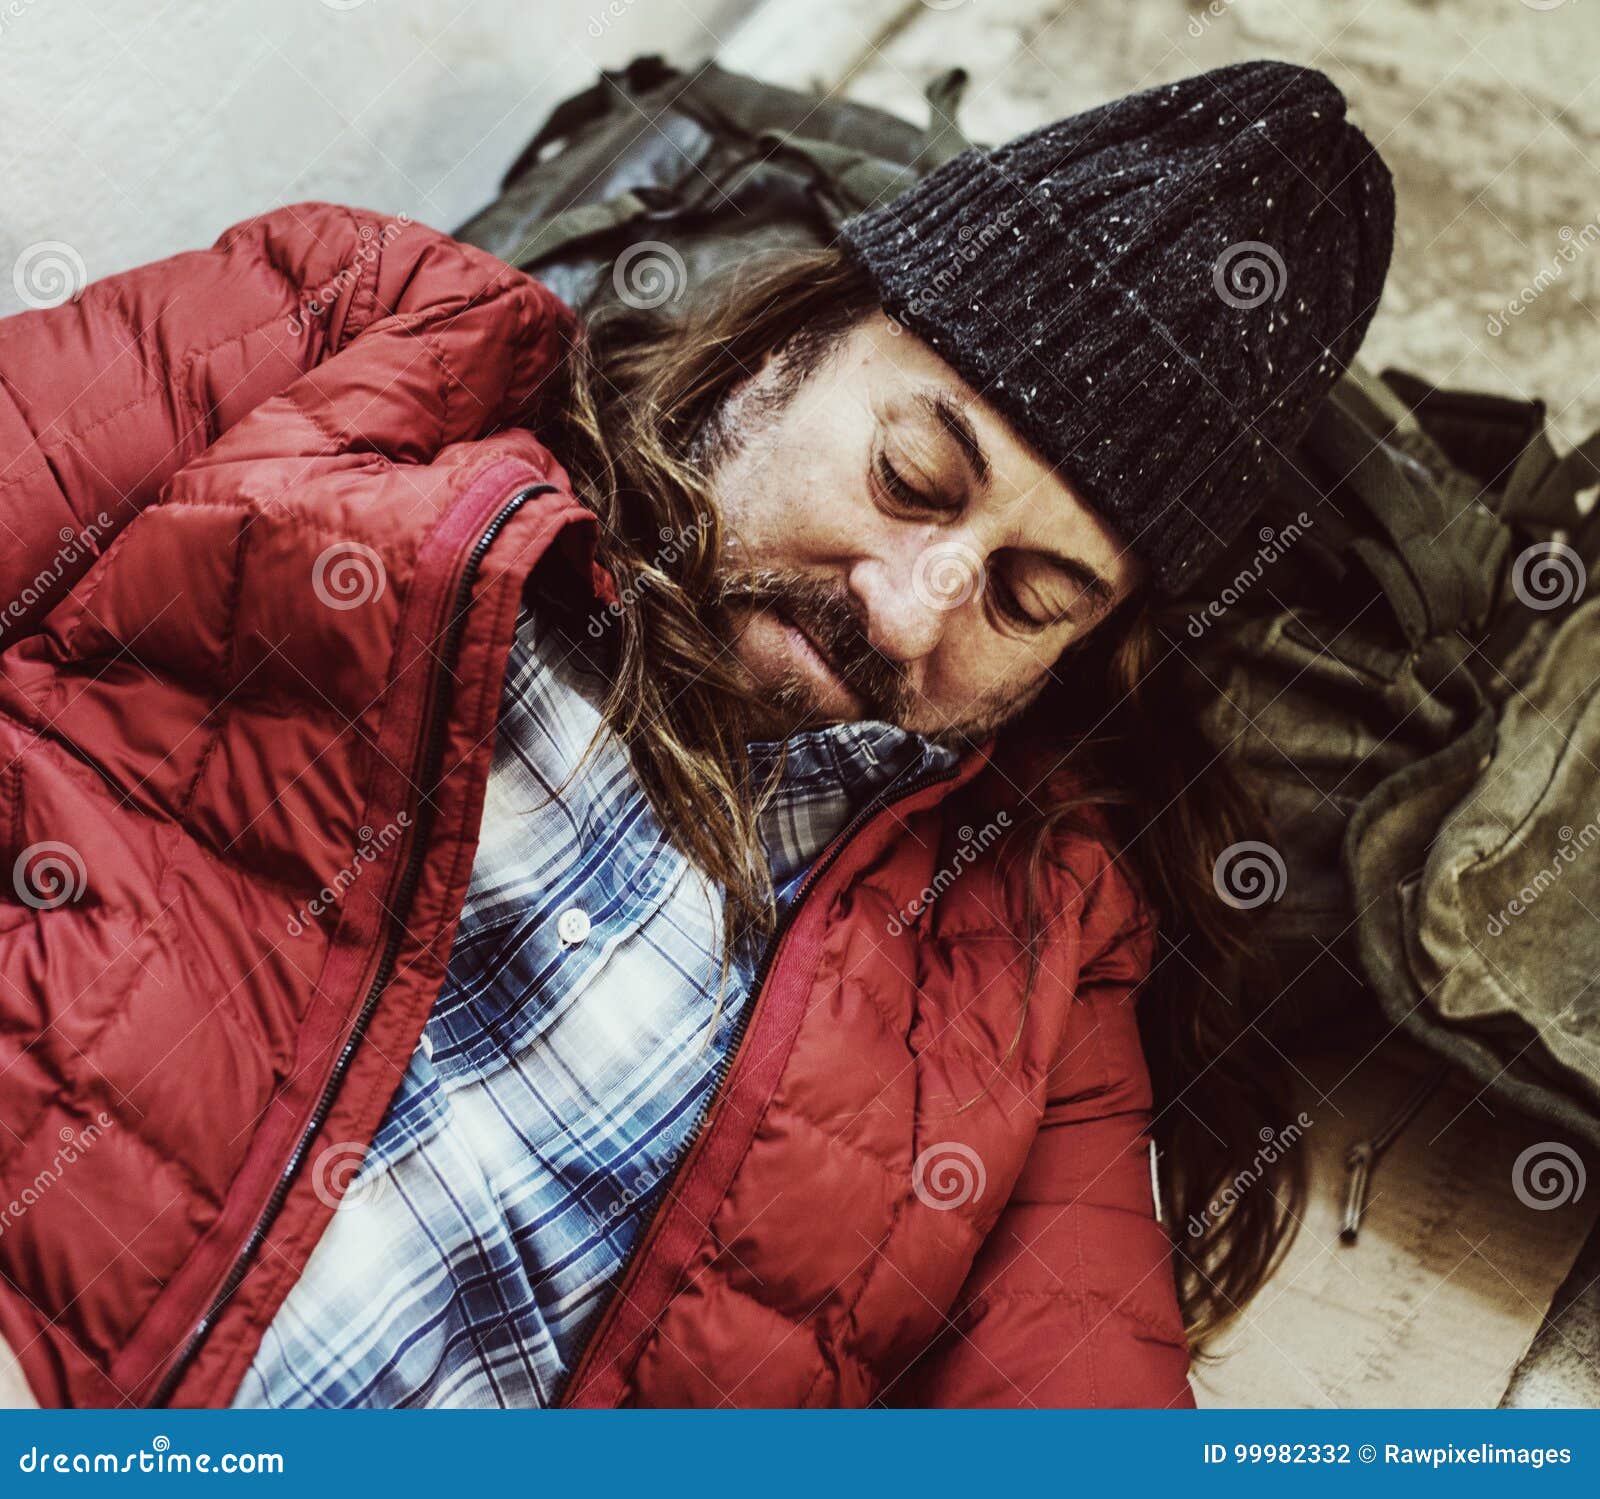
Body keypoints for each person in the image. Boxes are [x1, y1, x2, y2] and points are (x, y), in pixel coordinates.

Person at [0, 58, 1391, 1408]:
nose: (908, 618)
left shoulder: (1029, 937)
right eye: (912, 476)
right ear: (797, 338)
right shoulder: (373, 342)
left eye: (1028, 601)